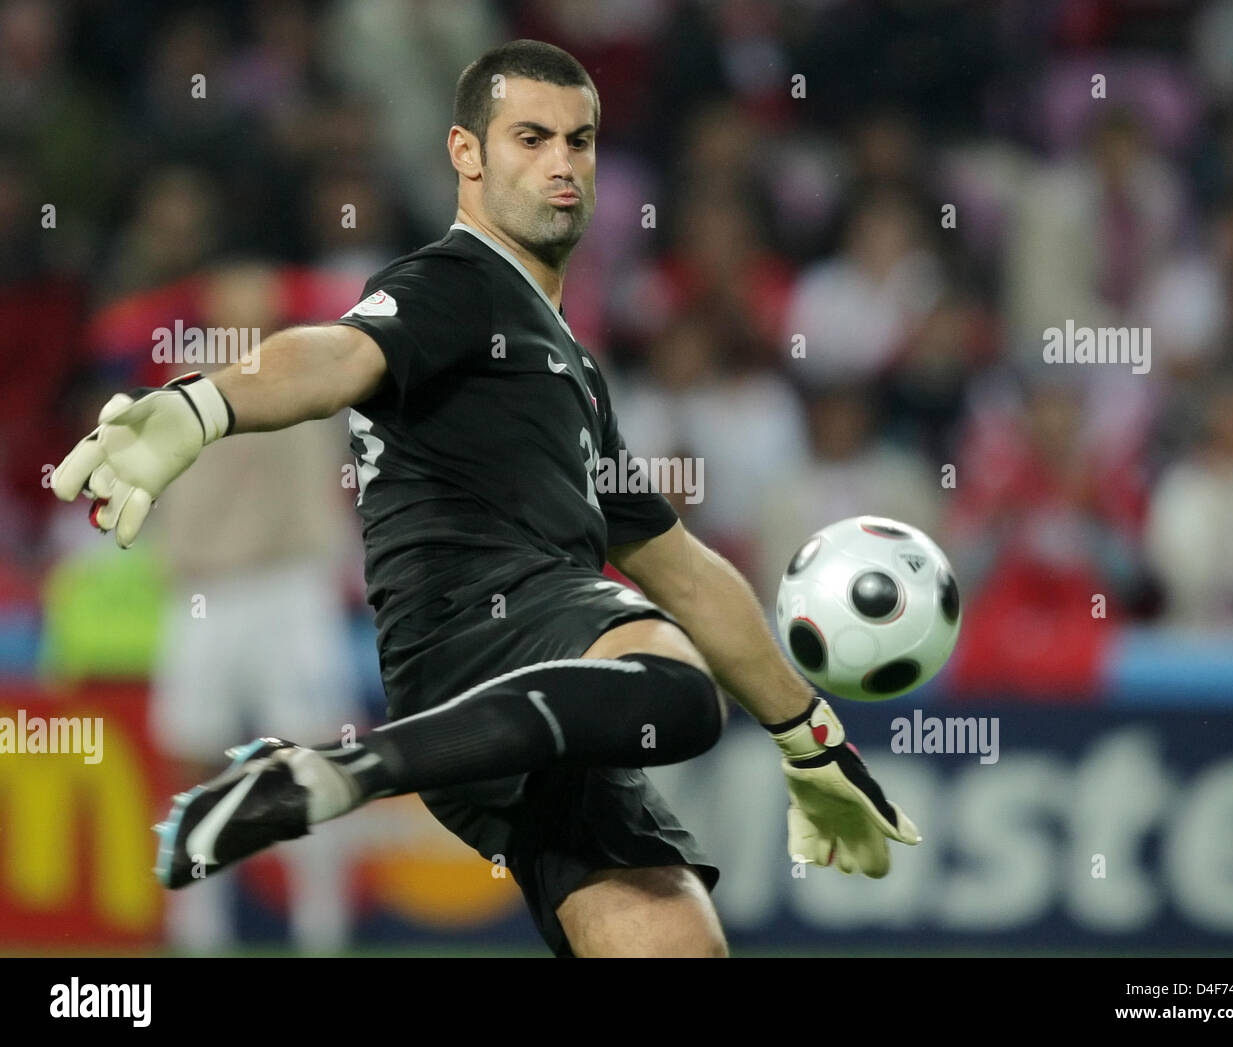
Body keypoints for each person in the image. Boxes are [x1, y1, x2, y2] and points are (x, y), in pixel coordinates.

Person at [51, 39, 919, 958]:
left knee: (679, 945)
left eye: (578, 142)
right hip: (488, 636)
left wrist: (812, 740)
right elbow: (338, 354)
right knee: (679, 692)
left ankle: (351, 768)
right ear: (467, 153)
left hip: (537, 719)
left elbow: (686, 571)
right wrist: (205, 403)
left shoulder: (573, 367)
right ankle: (337, 771)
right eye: (531, 138)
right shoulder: (456, 283)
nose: (561, 165)